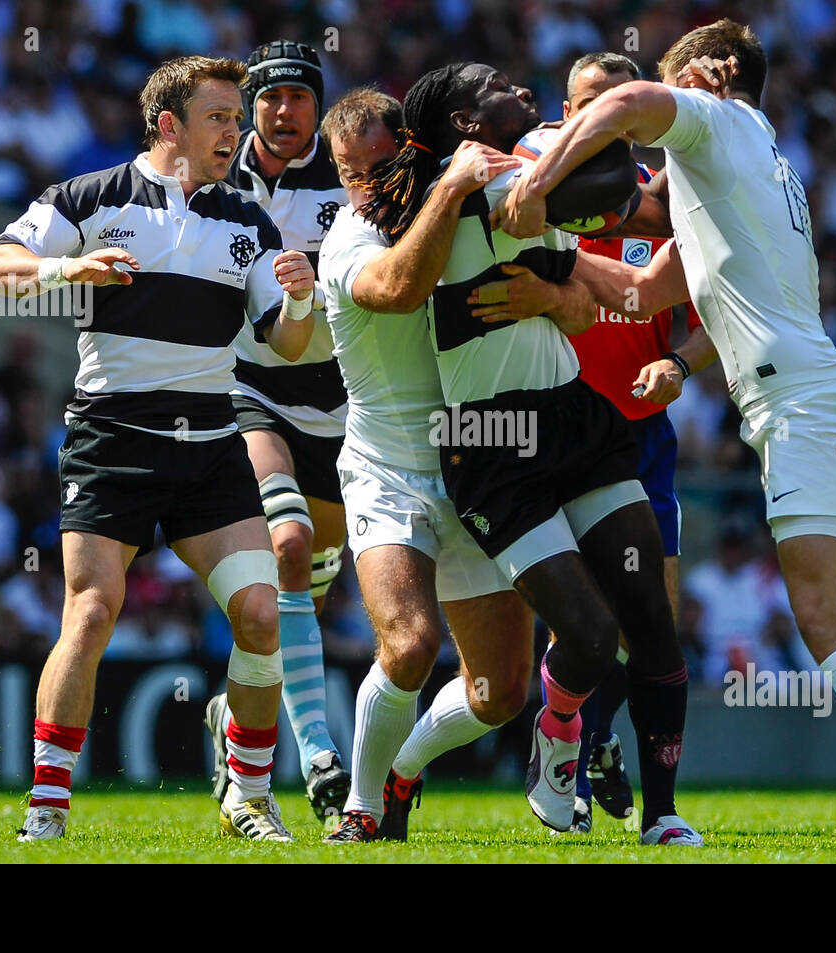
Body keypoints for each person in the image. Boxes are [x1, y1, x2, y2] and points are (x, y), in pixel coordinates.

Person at [498, 19, 836, 848]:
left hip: (799, 401)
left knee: (825, 612)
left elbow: (628, 100)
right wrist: (555, 268)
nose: (660, 112)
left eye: (677, 81)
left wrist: (536, 179)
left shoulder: (717, 122)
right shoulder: (734, 168)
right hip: (816, 393)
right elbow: (648, 292)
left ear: (713, 77)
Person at [0, 55, 316, 844]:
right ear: (170, 125)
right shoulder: (90, 197)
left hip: (209, 440)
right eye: (221, 118)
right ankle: (48, 807)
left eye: (239, 117)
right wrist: (68, 266)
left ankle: (248, 796)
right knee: (92, 612)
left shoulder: (248, 219)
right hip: (113, 438)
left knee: (262, 615)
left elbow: (290, 345)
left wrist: (299, 295)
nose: (238, 130)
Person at [362, 62, 702, 845]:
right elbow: (609, 189)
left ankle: (664, 816)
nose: (521, 87)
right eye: (495, 85)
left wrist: (559, 288)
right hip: (490, 443)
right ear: (466, 124)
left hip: (575, 419)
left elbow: (588, 295)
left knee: (649, 612)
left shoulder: (529, 161)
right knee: (583, 636)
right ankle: (543, 738)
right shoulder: (464, 182)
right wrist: (607, 151)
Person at [310, 87, 537, 843]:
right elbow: (402, 288)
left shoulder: (459, 202)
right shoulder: (349, 240)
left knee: (501, 690)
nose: (366, 188)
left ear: (413, 146)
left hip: (477, 465)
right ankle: (363, 808)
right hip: (388, 468)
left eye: (380, 167)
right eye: (349, 174)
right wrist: (451, 184)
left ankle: (405, 766)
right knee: (409, 646)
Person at [540, 51, 711, 833]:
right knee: (578, 621)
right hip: (553, 430)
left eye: (613, 98)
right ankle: (577, 759)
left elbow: (715, 319)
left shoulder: (672, 206)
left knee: (656, 618)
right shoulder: (536, 189)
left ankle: (635, 781)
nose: (599, 111)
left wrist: (676, 363)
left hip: (643, 437)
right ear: (563, 107)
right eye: (585, 99)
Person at [204, 40, 353, 821]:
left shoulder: (354, 177)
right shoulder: (217, 178)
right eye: (270, 98)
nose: (284, 111)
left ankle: (236, 716)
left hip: (344, 401)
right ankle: (321, 756)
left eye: (299, 97)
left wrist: (322, 281)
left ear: (318, 106)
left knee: (306, 585)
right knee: (286, 545)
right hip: (252, 388)